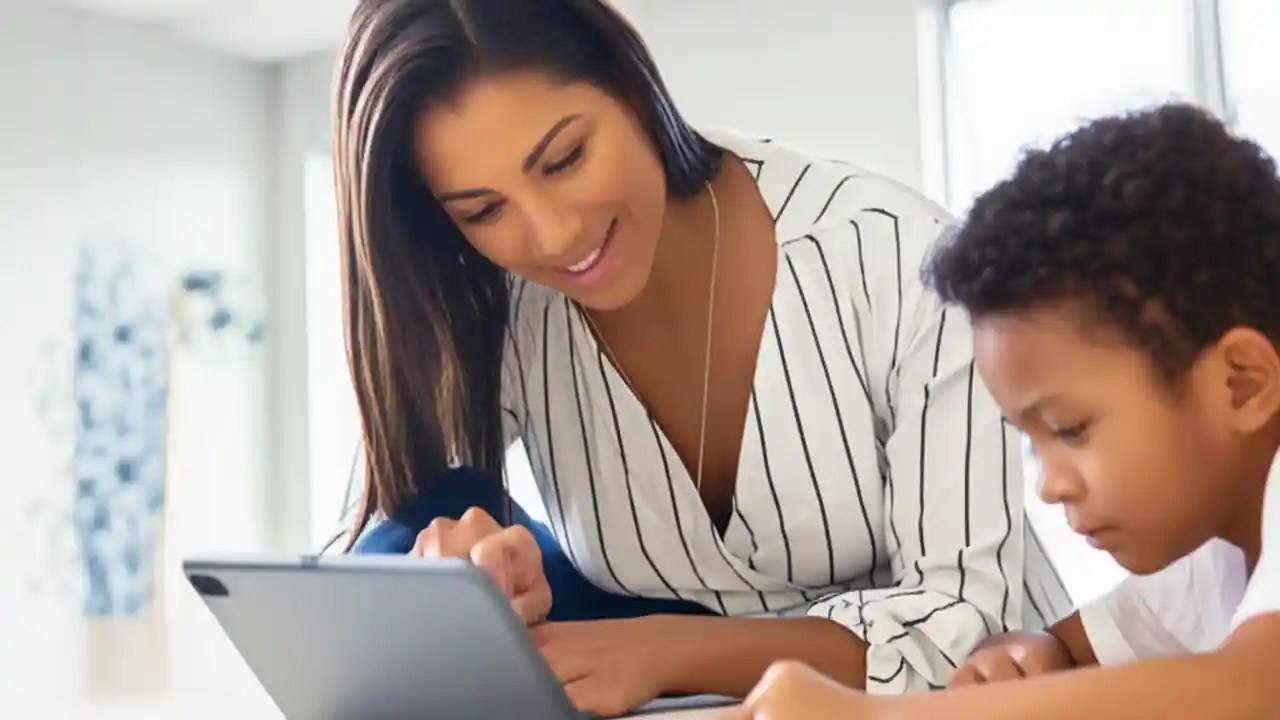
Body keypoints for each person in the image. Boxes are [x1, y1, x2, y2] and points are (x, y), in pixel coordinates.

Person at [331, 0, 1067, 715]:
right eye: (484, 211)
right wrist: (446, 575)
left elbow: (959, 627)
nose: (552, 236)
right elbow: (354, 559)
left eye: (565, 159)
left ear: (630, 86)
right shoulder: (504, 313)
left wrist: (658, 651)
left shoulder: (896, 258)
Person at [728, 103, 1280, 718]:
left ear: (1241, 384)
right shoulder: (1214, 552)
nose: (1050, 485)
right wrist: (1030, 652)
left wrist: (872, 714)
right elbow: (1077, 650)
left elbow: (1254, 690)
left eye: (1071, 429)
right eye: (1030, 440)